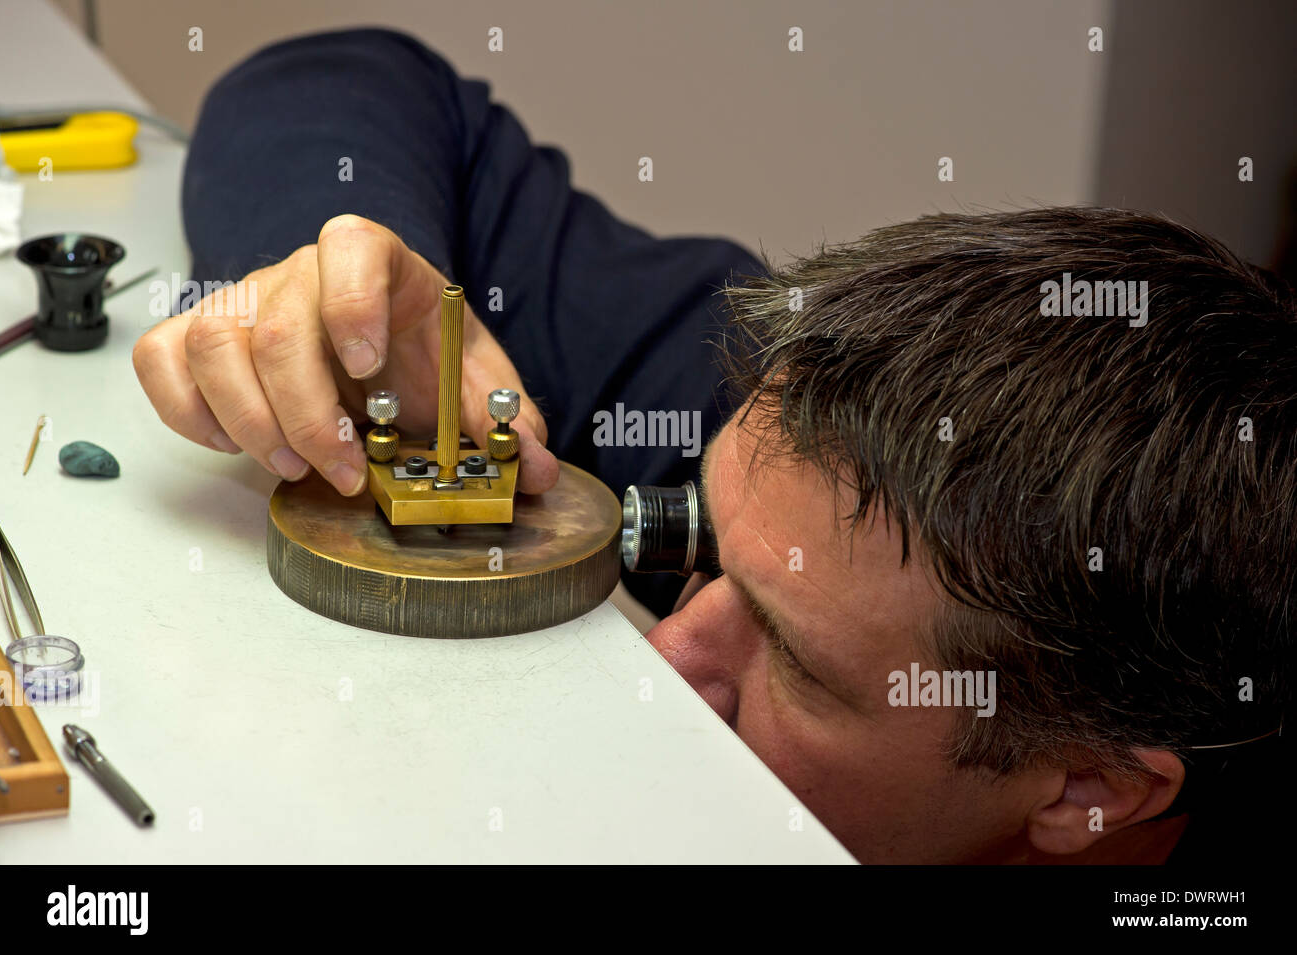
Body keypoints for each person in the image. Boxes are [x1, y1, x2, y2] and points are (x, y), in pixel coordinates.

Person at [132, 29, 1293, 863]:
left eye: (797, 665)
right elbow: (330, 79)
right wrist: (343, 299)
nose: (666, 655)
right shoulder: (812, 450)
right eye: (700, 543)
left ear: (1090, 791)